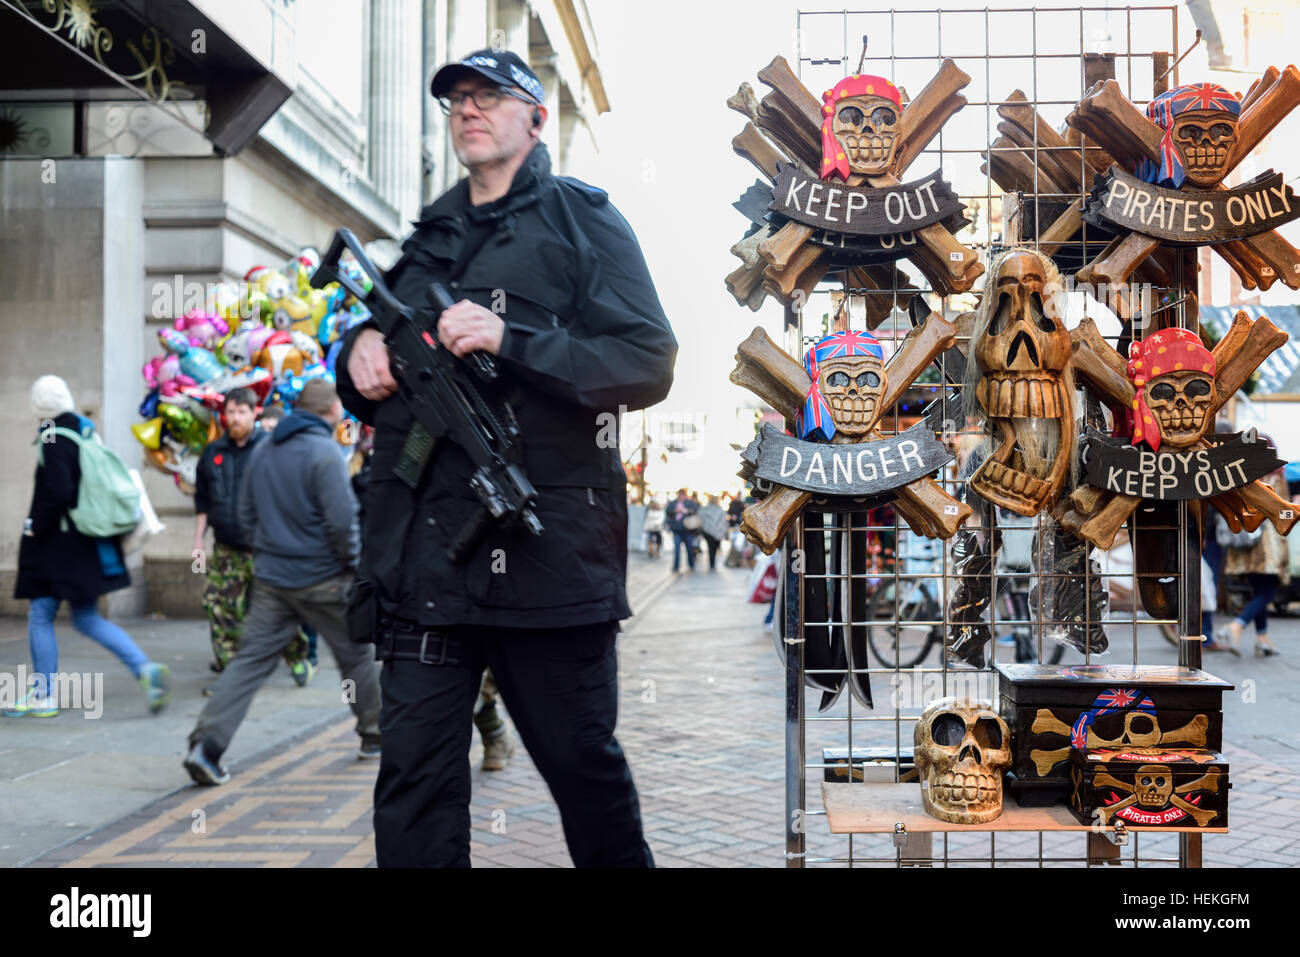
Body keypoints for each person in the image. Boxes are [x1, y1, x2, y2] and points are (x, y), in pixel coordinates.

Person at [335, 48, 676, 867]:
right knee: (412, 787)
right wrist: (357, 355)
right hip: (424, 571)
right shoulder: (428, 237)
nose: (468, 109)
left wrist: (512, 340)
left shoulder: (580, 219)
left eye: (489, 95)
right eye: (456, 98)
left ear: (536, 116)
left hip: (546, 563)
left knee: (584, 774)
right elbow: (383, 367)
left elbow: (647, 360)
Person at [183, 379, 382, 784]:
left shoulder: (263, 451)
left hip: (273, 580)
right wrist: (353, 565)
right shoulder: (325, 452)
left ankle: (206, 747)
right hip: (324, 579)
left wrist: (268, 556)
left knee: (249, 661)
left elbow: (245, 514)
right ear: (330, 411)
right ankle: (375, 736)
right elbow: (343, 524)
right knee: (357, 656)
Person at [5, 375, 169, 717]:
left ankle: (44, 695)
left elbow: (58, 491)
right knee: (85, 617)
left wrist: (34, 526)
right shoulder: (83, 429)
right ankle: (144, 668)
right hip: (89, 542)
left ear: (39, 405)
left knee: (40, 614)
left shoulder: (52, 433)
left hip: (59, 545)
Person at [194, 390, 312, 693]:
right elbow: (203, 501)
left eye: (241, 412)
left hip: (265, 547)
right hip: (226, 548)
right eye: (230, 412)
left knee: (277, 609)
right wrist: (198, 542)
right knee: (220, 608)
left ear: (254, 413)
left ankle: (298, 656)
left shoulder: (271, 448)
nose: (234, 418)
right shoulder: (213, 452)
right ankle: (232, 674)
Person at [1217, 468, 1290, 657]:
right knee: (1267, 593)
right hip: (1267, 547)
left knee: (1259, 591)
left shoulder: (1241, 475)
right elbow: (1282, 513)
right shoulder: (1275, 477)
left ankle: (1262, 639)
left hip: (1245, 545)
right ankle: (1235, 626)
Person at [666, 488, 699, 573]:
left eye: (682, 495)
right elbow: (668, 511)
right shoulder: (673, 503)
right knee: (677, 549)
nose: (680, 497)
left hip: (687, 530)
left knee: (689, 549)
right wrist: (675, 511)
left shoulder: (689, 502)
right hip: (677, 530)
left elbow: (695, 510)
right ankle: (676, 566)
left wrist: (686, 511)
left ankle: (691, 565)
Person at [699, 495, 729, 571]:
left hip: (708, 532)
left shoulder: (705, 509)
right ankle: (712, 563)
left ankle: (712, 563)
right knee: (713, 548)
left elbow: (700, 517)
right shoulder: (718, 510)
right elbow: (724, 522)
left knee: (711, 547)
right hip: (713, 532)